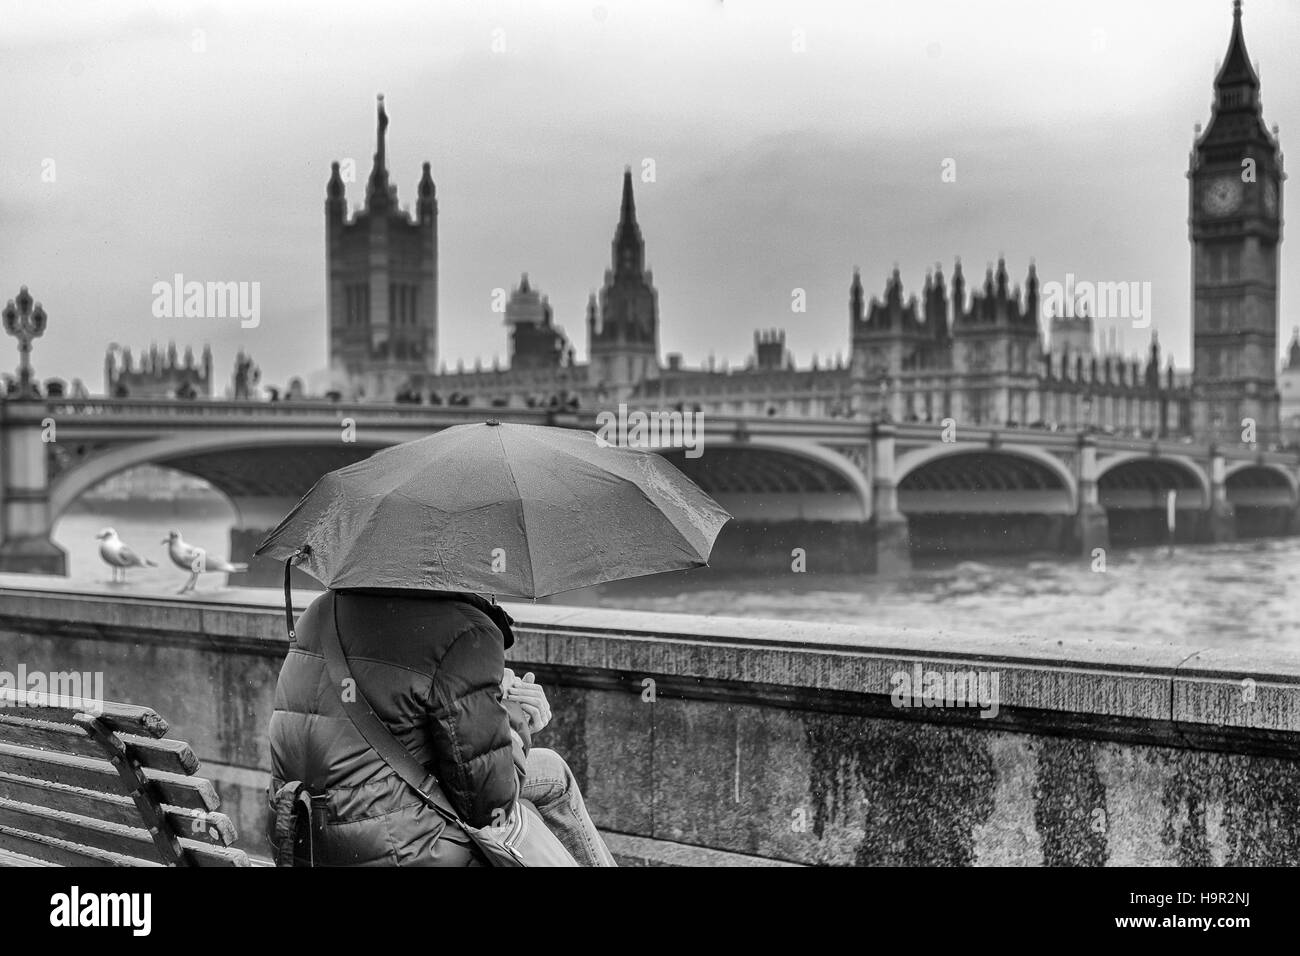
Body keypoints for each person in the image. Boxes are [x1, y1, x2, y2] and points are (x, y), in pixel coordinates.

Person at [267, 587, 615, 867]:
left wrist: (483, 700)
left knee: (552, 771)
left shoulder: (321, 612)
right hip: (400, 849)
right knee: (527, 804)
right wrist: (512, 716)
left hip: (304, 835)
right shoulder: (465, 630)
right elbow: (488, 806)